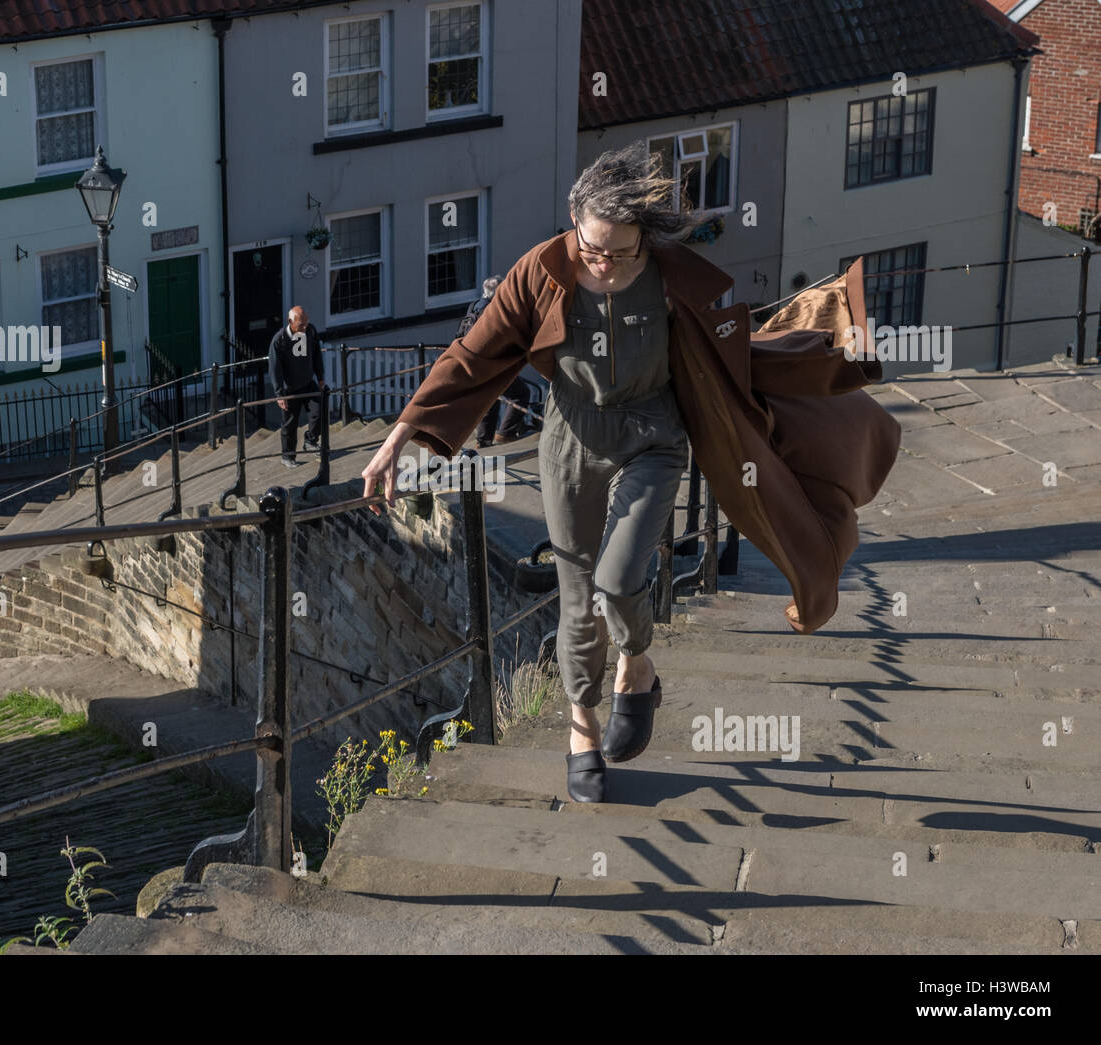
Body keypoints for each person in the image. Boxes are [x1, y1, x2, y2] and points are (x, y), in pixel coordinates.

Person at [360, 143, 899, 804]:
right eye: (593, 248)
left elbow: (735, 354)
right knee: (579, 595)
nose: (604, 261)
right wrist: (398, 439)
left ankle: (636, 666)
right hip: (570, 439)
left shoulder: (674, 279)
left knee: (619, 577)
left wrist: (828, 348)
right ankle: (582, 730)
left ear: (644, 236)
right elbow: (470, 357)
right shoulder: (542, 272)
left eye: (619, 250)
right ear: (573, 221)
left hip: (654, 436)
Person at [459, 275, 534, 447]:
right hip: (491, 363)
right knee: (520, 393)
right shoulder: (491, 311)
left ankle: (483, 441)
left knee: (490, 398)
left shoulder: (475, 306)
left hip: (473, 361)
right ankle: (506, 433)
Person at [268, 305, 325, 468]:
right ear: (290, 322)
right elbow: (275, 368)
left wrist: (320, 377)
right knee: (290, 423)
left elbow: (316, 354)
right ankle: (287, 456)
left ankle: (311, 441)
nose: (304, 327)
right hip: (289, 388)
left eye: (306, 323)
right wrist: (279, 394)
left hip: (307, 382)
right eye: (301, 324)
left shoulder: (310, 331)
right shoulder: (279, 340)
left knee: (318, 410)